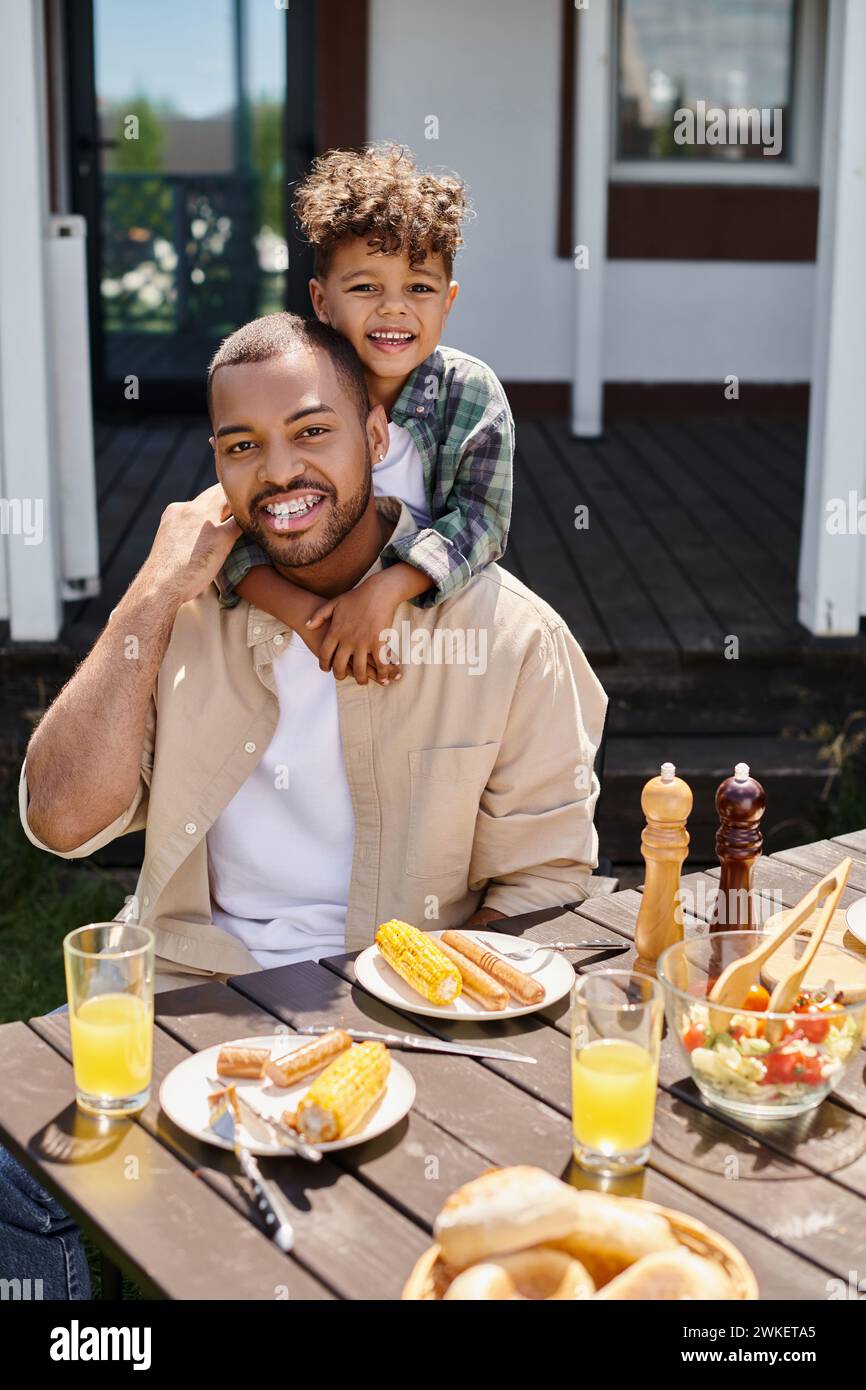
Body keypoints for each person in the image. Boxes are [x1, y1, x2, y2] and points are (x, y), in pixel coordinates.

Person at [8, 314, 607, 1297]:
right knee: (17, 1180)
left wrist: (444, 1023)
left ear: (377, 437)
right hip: (195, 994)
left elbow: (545, 882)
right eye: (242, 447)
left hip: (394, 1017)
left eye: (310, 431)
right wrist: (152, 593)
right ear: (214, 465)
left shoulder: (505, 634)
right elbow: (60, 819)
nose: (277, 472)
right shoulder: (189, 613)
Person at [218, 143, 513, 687]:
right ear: (322, 301)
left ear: (447, 303)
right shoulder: (288, 387)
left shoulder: (468, 393)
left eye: (419, 288)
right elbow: (229, 535)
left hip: (428, 631)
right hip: (299, 631)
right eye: (365, 287)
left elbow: (483, 523)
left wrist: (384, 590)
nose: (393, 307)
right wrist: (311, 620)